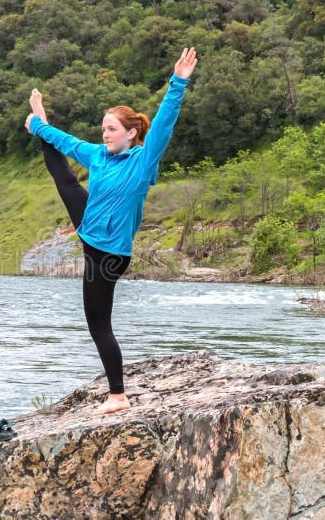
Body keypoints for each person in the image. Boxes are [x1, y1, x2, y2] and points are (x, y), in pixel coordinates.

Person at [25, 47, 198, 414]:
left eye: (111, 129)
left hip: (109, 253)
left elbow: (164, 123)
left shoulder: (143, 161)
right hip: (90, 225)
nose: (104, 134)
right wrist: (38, 124)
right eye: (103, 128)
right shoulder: (99, 155)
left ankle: (118, 396)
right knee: (65, 178)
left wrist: (178, 82)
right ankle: (37, 120)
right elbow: (67, 143)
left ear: (132, 133)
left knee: (99, 326)